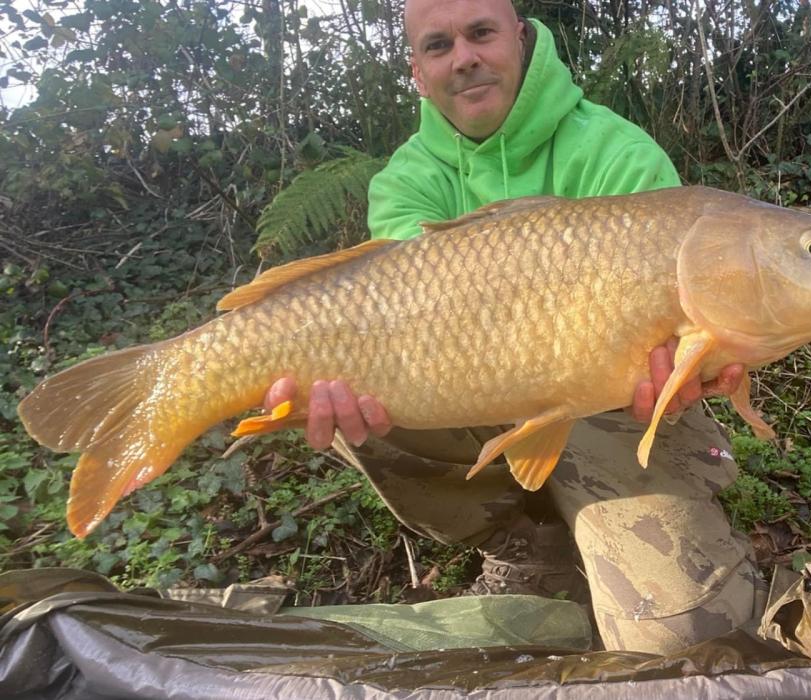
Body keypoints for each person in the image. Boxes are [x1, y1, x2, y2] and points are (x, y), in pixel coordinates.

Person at [262, 0, 764, 654]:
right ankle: (527, 544)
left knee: (683, 647)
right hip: (472, 387)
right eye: (438, 45)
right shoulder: (408, 181)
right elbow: (405, 325)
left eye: (481, 33)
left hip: (616, 412)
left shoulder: (615, 153)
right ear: (417, 72)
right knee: (350, 373)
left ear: (521, 39)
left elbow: (686, 329)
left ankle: (635, 521)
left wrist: (699, 362)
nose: (463, 57)